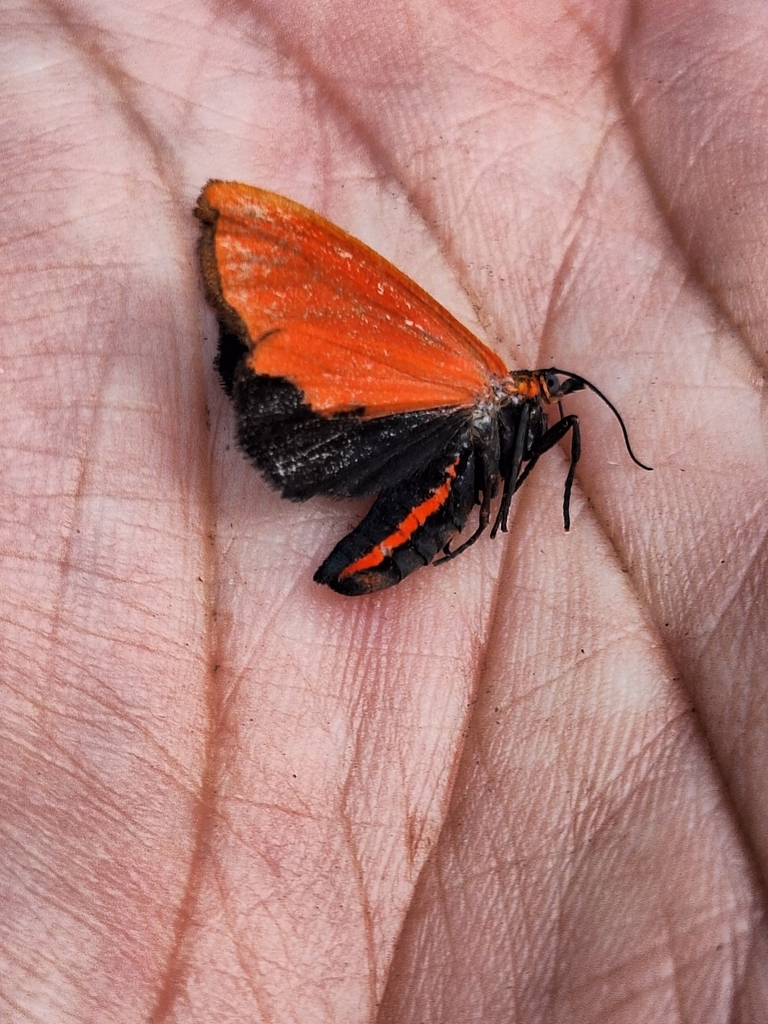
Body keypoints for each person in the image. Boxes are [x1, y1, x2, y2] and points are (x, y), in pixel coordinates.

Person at [2, 2, 766, 1020]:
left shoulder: (519, 406)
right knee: (461, 441)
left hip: (396, 443)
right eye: (546, 400)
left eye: (550, 404)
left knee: (458, 451)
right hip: (392, 430)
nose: (551, 411)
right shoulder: (497, 390)